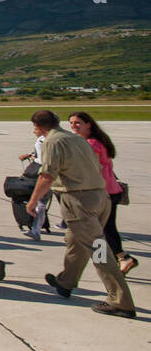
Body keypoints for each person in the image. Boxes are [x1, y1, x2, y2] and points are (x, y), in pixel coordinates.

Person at [28, 110, 135, 318]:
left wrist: (32, 202)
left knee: (98, 248)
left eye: (34, 127)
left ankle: (120, 300)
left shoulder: (52, 141)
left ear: (38, 127)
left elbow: (47, 175)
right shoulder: (77, 140)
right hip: (100, 197)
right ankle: (66, 282)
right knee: (74, 240)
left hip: (79, 201)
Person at [69, 111, 137, 276]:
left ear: (88, 124)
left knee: (101, 230)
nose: (73, 126)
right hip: (110, 190)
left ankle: (120, 258)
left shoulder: (91, 145)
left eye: (77, 122)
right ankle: (119, 259)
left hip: (101, 192)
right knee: (106, 228)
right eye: (71, 123)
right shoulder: (97, 141)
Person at [19, 131, 54, 238]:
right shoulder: (49, 138)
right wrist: (31, 154)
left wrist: (34, 159)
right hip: (52, 175)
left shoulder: (44, 140)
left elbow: (44, 160)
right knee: (42, 202)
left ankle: (36, 230)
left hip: (46, 175)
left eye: (35, 127)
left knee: (41, 203)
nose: (34, 131)